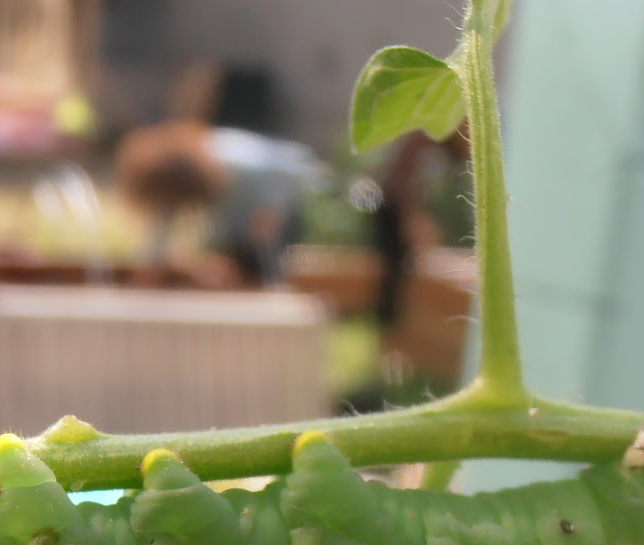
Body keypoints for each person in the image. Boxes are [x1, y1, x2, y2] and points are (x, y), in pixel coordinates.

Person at [116, 120, 326, 287]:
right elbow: (163, 227)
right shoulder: (195, 186)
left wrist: (271, 209)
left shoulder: (229, 157)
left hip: (304, 198)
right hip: (251, 221)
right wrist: (151, 267)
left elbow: (288, 172)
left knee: (263, 261)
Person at [371, 125, 469, 374]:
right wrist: (411, 218)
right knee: (395, 280)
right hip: (394, 208)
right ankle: (390, 349)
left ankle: (390, 348)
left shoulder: (423, 141)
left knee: (396, 279)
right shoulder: (425, 140)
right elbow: (403, 184)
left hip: (393, 205)